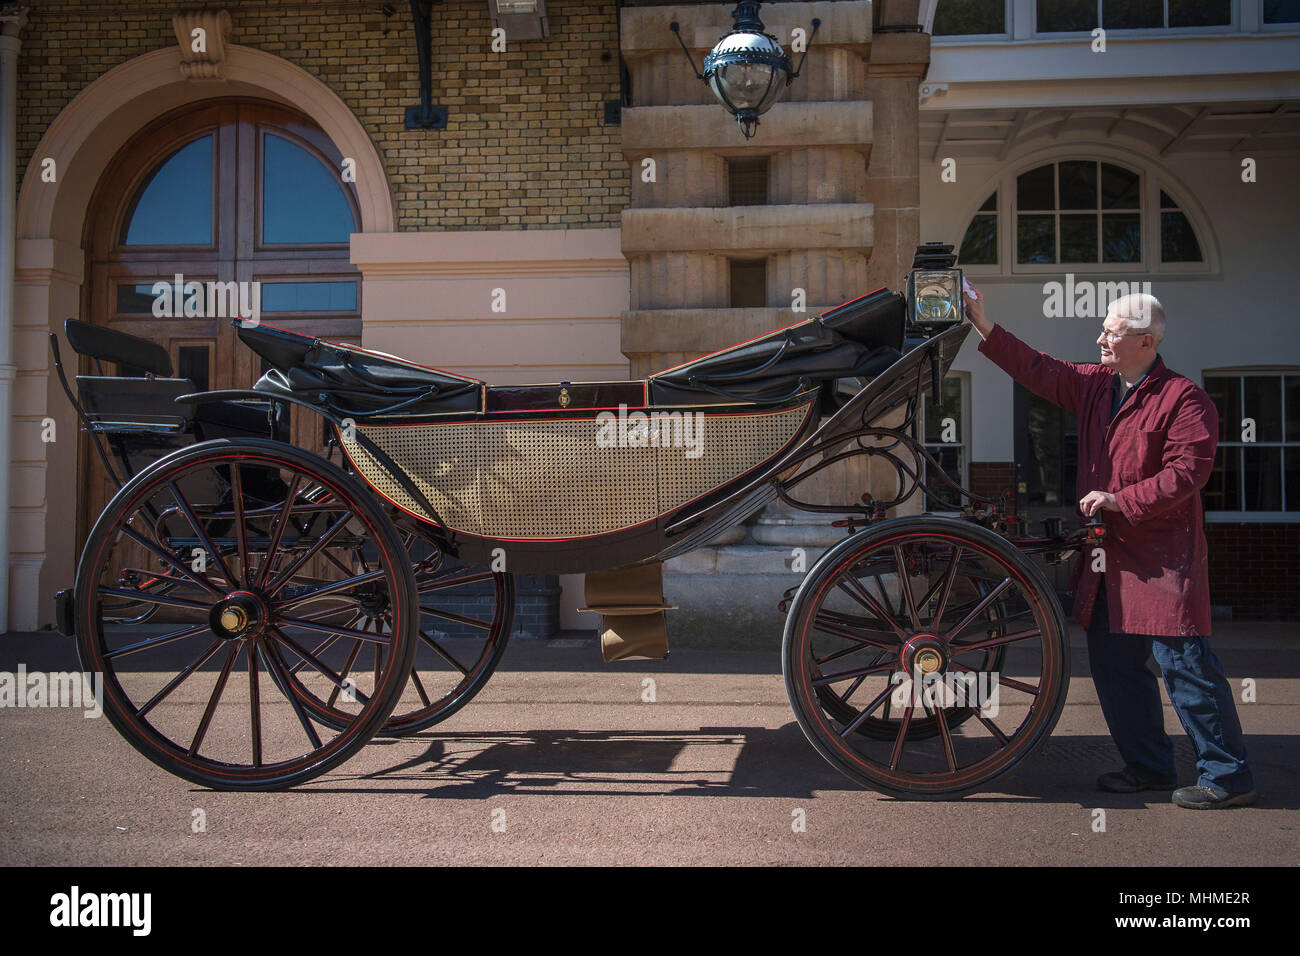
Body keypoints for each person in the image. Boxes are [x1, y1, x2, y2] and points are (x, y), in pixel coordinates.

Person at [962, 280, 1256, 809]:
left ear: (1145, 342)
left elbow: (1189, 472)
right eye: (1101, 330)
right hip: (1106, 560)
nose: (1100, 340)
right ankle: (1148, 767)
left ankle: (1227, 776)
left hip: (1164, 561)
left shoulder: (1184, 398)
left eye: (1111, 333)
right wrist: (982, 322)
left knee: (1186, 667)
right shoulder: (1098, 384)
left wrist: (1120, 500)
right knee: (1116, 669)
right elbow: (1039, 368)